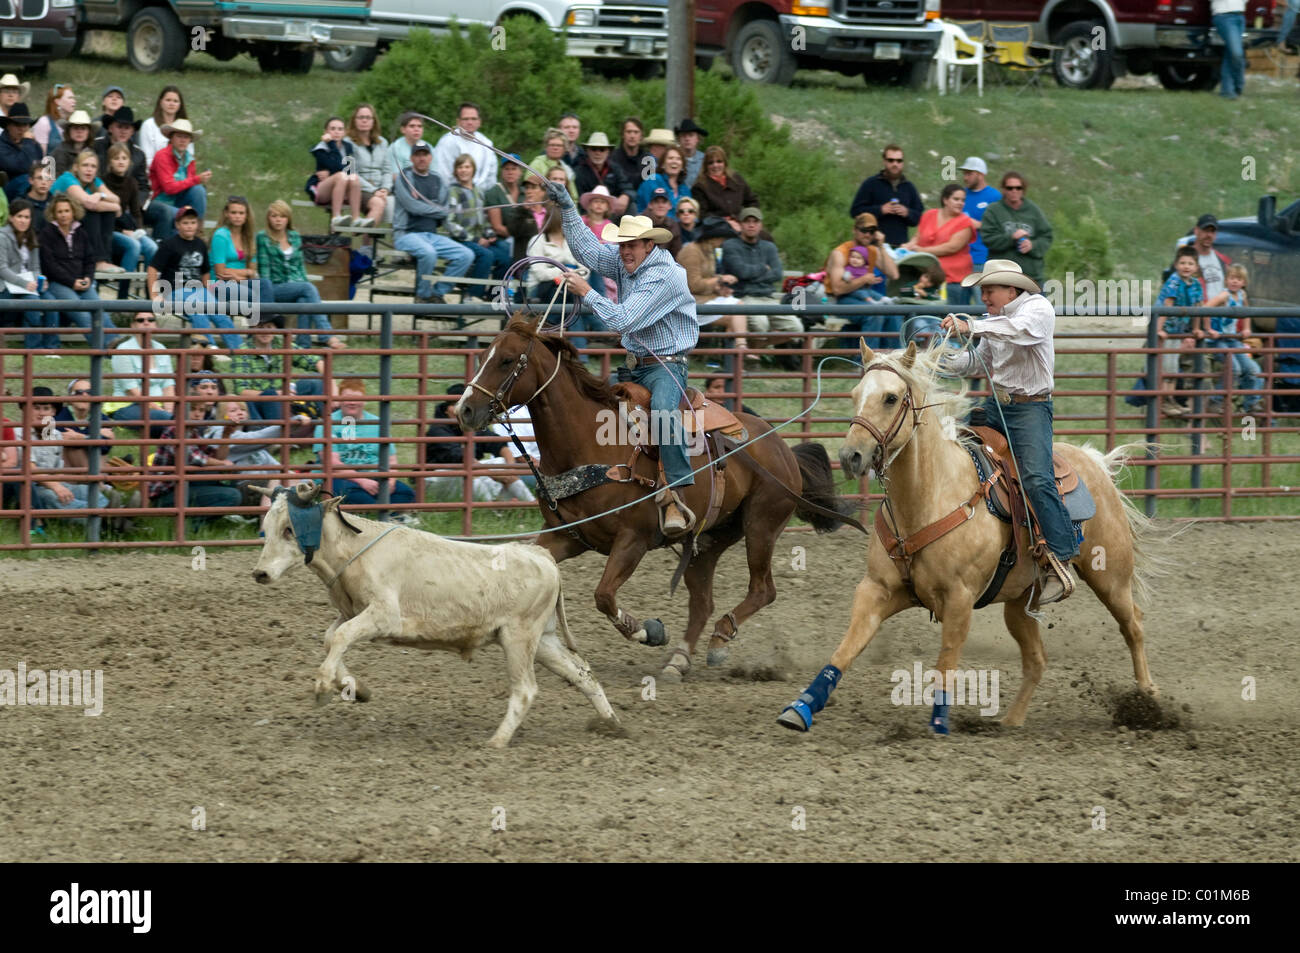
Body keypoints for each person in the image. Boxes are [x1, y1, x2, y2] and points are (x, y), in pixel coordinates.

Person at [546, 177, 701, 535]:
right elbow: (589, 252)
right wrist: (569, 208)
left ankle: (675, 495)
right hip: (635, 367)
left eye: (632, 245)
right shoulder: (625, 262)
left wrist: (587, 291)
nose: (625, 251)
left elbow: (624, 318)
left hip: (666, 366)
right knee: (596, 412)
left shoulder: (665, 277)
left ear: (649, 244)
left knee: (663, 413)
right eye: (622, 245)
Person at [940, 260, 1078, 605]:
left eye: (989, 289)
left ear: (1011, 289)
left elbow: (1019, 331)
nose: (984, 296)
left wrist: (970, 325)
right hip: (998, 407)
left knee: (1035, 477)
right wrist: (936, 355)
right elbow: (976, 362)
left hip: (1031, 408)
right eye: (983, 290)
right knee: (948, 443)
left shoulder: (1038, 309)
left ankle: (1061, 557)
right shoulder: (992, 323)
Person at [147, 376, 245, 524]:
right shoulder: (174, 430)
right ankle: (191, 525)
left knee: (230, 484)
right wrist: (222, 464)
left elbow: (214, 455)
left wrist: (226, 434)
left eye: (201, 410)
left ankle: (192, 519)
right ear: (180, 410)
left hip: (182, 486)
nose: (198, 414)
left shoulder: (193, 432)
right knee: (232, 496)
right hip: (166, 494)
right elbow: (194, 458)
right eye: (192, 409)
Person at [313, 377, 416, 518]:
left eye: (357, 398)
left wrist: (390, 482)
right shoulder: (327, 423)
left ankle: (381, 513)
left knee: (406, 493)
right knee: (347, 492)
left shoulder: (378, 423)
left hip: (374, 478)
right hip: (343, 479)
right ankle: (385, 514)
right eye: (348, 398)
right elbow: (333, 464)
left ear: (365, 400)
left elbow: (391, 461)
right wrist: (362, 481)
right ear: (339, 399)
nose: (352, 402)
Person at [148, 205, 243, 350]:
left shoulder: (200, 244)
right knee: (197, 309)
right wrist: (154, 295)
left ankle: (240, 351)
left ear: (197, 224)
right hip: (174, 291)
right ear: (177, 225)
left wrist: (208, 291)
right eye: (185, 223)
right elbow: (152, 268)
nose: (189, 226)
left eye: (192, 222)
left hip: (198, 290)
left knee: (220, 314)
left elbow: (205, 271)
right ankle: (209, 348)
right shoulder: (169, 245)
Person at [392, 139, 473, 305]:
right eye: (418, 155)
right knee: (428, 253)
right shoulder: (404, 178)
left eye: (425, 154)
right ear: (412, 158)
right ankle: (422, 295)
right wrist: (437, 209)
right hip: (406, 234)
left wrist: (437, 210)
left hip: (431, 235)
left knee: (466, 255)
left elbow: (443, 209)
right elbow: (413, 206)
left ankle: (437, 292)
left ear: (430, 157)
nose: (422, 158)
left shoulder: (438, 179)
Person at [256, 199, 342, 349]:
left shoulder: (294, 236)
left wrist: (302, 285)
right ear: (268, 218)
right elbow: (264, 273)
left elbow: (300, 267)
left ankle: (303, 346)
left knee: (304, 299)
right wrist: (302, 286)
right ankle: (327, 335)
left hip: (296, 286)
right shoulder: (262, 237)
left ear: (288, 218)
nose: (278, 220)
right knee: (308, 289)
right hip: (274, 287)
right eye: (274, 216)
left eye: (282, 216)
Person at [15, 386, 109, 520]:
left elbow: (58, 470)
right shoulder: (18, 433)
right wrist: (56, 487)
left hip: (53, 482)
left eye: (46, 408)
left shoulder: (56, 435)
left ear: (53, 412)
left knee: (85, 490)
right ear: (25, 409)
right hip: (31, 488)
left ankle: (109, 515)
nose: (41, 413)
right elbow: (30, 468)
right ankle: (106, 517)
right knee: (52, 497)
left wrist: (60, 485)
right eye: (36, 408)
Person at [423, 382, 523, 503]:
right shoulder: (437, 430)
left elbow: (497, 443)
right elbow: (460, 457)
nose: (461, 409)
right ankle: (494, 510)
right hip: (433, 481)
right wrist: (493, 474)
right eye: (455, 404)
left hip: (463, 474)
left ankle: (529, 504)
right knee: (468, 475)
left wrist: (510, 470)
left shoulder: (470, 425)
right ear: (446, 410)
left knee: (501, 463)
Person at [721, 207, 801, 350]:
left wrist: (749, 275)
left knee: (796, 327)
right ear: (740, 225)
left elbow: (777, 273)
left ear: (760, 225)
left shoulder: (769, 247)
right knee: (760, 324)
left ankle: (755, 349)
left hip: (768, 297)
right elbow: (741, 271)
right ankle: (753, 356)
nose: (751, 225)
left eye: (755, 221)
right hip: (744, 296)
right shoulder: (730, 245)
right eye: (747, 221)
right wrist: (764, 268)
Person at [824, 213, 900, 352]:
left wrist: (881, 246)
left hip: (865, 297)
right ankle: (866, 363)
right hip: (840, 300)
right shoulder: (840, 252)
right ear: (855, 230)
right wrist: (864, 279)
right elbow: (837, 289)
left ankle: (897, 359)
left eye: (871, 232)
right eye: (864, 230)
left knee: (893, 311)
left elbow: (894, 274)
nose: (867, 235)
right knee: (874, 314)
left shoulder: (872, 251)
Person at [677, 216, 751, 359]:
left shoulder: (708, 251)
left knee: (737, 306)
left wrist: (720, 288)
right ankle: (739, 353)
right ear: (712, 238)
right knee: (736, 311)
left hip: (704, 299)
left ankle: (734, 356)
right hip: (689, 304)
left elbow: (707, 279)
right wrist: (719, 279)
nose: (723, 242)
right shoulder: (691, 252)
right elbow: (693, 285)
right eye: (721, 238)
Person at [229, 316, 327, 421]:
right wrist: (277, 394)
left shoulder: (282, 343)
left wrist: (332, 388)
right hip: (258, 403)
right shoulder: (242, 351)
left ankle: (325, 424)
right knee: (270, 395)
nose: (265, 332)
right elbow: (242, 391)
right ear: (253, 329)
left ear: (275, 328)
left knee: (315, 382)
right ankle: (281, 432)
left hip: (284, 394)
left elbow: (316, 361)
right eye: (260, 327)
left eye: (269, 327)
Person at [39, 193, 105, 347]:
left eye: (66, 211)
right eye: (60, 211)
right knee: (80, 312)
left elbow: (90, 259)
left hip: (82, 281)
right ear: (54, 214)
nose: (63, 215)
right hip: (58, 283)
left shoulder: (81, 233)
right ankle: (103, 348)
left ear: (73, 212)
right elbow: (49, 266)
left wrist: (88, 277)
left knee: (99, 308)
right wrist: (71, 282)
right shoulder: (47, 234)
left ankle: (119, 346)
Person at [1203, 263, 1263, 413]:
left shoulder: (1242, 295)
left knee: (1252, 368)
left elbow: (1246, 311)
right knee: (1234, 368)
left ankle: (1251, 403)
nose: (1235, 281)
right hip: (1217, 340)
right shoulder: (1224, 295)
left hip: (1232, 340)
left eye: (1239, 279)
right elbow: (1204, 309)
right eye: (1232, 278)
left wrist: (1247, 328)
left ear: (1244, 282)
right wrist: (1209, 328)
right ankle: (1215, 401)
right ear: (1226, 280)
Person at [902, 183, 976, 305]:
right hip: (926, 279)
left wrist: (921, 251)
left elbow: (952, 247)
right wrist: (907, 247)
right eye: (956, 199)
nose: (960, 203)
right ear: (945, 199)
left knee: (954, 317)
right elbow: (917, 237)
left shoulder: (965, 222)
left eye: (963, 200)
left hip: (954, 281)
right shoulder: (929, 215)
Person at [447, 153, 510, 291]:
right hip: (463, 239)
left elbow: (485, 220)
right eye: (460, 167)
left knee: (505, 257)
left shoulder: (479, 192)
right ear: (456, 171)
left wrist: (489, 234)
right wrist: (476, 239)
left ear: (473, 170)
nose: (463, 170)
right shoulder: (453, 191)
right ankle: (474, 295)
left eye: (467, 167)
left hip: (480, 239)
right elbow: (450, 223)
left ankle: (496, 296)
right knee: (486, 255)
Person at [105, 311, 176, 436]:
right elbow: (132, 391)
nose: (146, 322)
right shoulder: (123, 350)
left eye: (150, 319)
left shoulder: (162, 349)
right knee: (170, 421)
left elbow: (168, 384)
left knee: (182, 417)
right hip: (130, 405)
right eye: (140, 320)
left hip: (159, 406)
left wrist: (169, 409)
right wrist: (163, 412)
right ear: (133, 325)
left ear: (156, 325)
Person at [52, 149, 122, 273]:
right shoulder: (67, 178)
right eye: (85, 165)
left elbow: (116, 199)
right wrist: (115, 206)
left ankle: (105, 260)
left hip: (76, 224)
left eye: (93, 166)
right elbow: (88, 203)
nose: (89, 169)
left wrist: (101, 196)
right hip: (55, 222)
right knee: (92, 213)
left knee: (107, 214)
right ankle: (98, 261)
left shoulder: (95, 181)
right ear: (75, 168)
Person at [979, 171, 1052, 286]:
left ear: (1023, 189)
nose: (1014, 191)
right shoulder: (993, 210)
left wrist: (1032, 245)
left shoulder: (1033, 210)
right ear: (1003, 189)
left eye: (1018, 188)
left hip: (1030, 277)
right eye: (1010, 188)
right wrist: (1011, 238)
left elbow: (1046, 236)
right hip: (1001, 277)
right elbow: (988, 238)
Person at [1156, 246, 1204, 418]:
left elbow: (1198, 308)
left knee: (1173, 367)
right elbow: (1167, 305)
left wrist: (1196, 328)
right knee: (1167, 366)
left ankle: (1170, 400)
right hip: (1166, 328)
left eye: (1190, 263)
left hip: (1179, 330)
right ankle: (1164, 401)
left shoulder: (1196, 284)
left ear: (1196, 267)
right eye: (1182, 262)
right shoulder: (1174, 281)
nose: (1186, 266)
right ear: (1176, 265)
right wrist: (1158, 329)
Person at [210, 195, 274, 321]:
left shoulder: (249, 237)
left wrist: (237, 276)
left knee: (266, 284)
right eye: (233, 212)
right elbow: (220, 272)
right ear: (227, 214)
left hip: (240, 282)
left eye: (241, 213)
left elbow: (253, 271)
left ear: (246, 216)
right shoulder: (221, 235)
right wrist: (246, 273)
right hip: (218, 284)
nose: (237, 216)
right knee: (253, 295)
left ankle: (264, 327)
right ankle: (260, 331)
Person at [102, 142, 157, 289]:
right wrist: (123, 232)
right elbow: (104, 218)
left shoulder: (132, 182)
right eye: (116, 158)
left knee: (152, 247)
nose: (120, 161)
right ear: (110, 162)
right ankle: (123, 297)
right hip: (110, 230)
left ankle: (149, 296)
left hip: (129, 229)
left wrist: (137, 230)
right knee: (133, 246)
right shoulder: (103, 183)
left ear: (129, 162)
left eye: (124, 158)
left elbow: (136, 212)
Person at [147, 117, 210, 240]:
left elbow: (190, 186)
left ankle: (197, 232)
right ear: (171, 138)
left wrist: (197, 182)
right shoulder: (162, 156)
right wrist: (197, 179)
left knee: (199, 190)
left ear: (190, 140)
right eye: (179, 136)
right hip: (160, 202)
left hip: (179, 201)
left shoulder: (189, 159)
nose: (183, 140)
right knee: (182, 213)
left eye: (186, 137)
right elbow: (169, 187)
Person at [849, 144, 923, 246]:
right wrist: (880, 210)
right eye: (891, 160)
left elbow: (919, 218)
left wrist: (907, 212)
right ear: (884, 161)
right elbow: (855, 212)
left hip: (900, 248)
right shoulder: (871, 184)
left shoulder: (909, 188)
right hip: (872, 246)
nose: (895, 164)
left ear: (903, 163)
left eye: (899, 161)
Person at [0, 199, 48, 349]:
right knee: (32, 305)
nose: (23, 221)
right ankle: (34, 348)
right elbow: (2, 269)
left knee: (45, 301)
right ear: (11, 218)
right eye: (19, 216)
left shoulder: (32, 236)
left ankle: (38, 348)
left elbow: (35, 267)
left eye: (27, 217)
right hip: (5, 285)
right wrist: (24, 284)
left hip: (26, 285)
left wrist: (40, 280)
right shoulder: (2, 236)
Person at [308, 116, 365, 229]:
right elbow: (337, 166)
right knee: (341, 175)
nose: (336, 132)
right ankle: (336, 217)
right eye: (333, 129)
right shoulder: (320, 149)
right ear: (326, 132)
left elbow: (349, 169)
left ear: (344, 132)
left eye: (340, 129)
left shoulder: (347, 147)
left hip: (341, 187)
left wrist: (334, 172)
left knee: (354, 177)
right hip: (322, 189)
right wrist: (331, 144)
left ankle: (356, 218)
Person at [344, 102, 392, 226]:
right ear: (354, 120)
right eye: (361, 117)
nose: (364, 121)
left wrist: (385, 189)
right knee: (378, 203)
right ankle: (365, 243)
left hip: (380, 189)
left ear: (373, 121)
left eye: (368, 118)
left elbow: (387, 170)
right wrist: (374, 190)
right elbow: (350, 171)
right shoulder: (347, 143)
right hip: (358, 188)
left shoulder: (383, 143)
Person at [692, 146, 758, 234]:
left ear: (725, 163)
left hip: (742, 224)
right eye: (711, 163)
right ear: (706, 166)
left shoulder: (736, 179)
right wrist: (725, 222)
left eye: (719, 161)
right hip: (715, 228)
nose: (715, 165)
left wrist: (747, 219)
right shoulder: (699, 187)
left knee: (766, 239)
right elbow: (703, 214)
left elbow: (752, 201)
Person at [433, 101, 497, 192]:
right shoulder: (447, 142)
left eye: (474, 119)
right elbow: (443, 174)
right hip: (455, 195)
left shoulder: (486, 143)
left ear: (479, 122)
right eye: (466, 119)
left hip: (481, 196)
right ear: (458, 122)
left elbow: (491, 174)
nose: (470, 122)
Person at [92, 106, 149, 202]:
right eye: (119, 126)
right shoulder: (95, 146)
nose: (123, 131)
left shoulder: (139, 155)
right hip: (99, 198)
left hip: (129, 204)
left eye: (127, 128)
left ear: (132, 132)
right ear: (110, 128)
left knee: (164, 211)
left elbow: (143, 187)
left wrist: (135, 205)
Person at [503, 174, 557, 271]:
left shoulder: (551, 213)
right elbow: (512, 231)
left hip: (550, 262)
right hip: (525, 264)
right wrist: (523, 211)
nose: (529, 191)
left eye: (533, 187)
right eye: (527, 188)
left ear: (543, 192)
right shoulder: (519, 211)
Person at [572, 131, 635, 216]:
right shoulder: (579, 171)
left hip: (612, 212)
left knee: (631, 206)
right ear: (588, 151)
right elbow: (579, 200)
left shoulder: (615, 169)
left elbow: (628, 187)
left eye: (602, 149)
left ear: (608, 152)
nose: (598, 153)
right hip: (589, 214)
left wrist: (626, 196)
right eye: (594, 149)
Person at [960, 156, 1000, 274]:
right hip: (960, 257)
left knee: (981, 292)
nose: (965, 178)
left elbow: (1001, 227)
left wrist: (978, 224)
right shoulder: (960, 195)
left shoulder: (994, 197)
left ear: (981, 174)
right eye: (964, 174)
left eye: (969, 174)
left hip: (982, 259)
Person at [138, 85, 187, 170]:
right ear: (161, 102)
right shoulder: (149, 125)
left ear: (180, 105)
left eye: (175, 101)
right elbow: (147, 158)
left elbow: (189, 156)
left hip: (180, 175)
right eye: (168, 100)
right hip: (154, 173)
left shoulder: (185, 126)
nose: (171, 104)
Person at [637, 144, 691, 217]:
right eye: (670, 158)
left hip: (675, 227)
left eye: (678, 159)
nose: (674, 161)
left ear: (682, 166)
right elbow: (651, 210)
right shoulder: (653, 180)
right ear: (662, 164)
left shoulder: (685, 189)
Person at [527, 127, 579, 201]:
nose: (555, 148)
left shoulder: (567, 169)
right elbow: (530, 191)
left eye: (559, 145)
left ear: (565, 148)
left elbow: (574, 197)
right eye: (552, 145)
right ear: (546, 147)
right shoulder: (536, 164)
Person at [0, 103, 41, 191]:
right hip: (9, 191)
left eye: (25, 125)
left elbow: (42, 163)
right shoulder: (1, 146)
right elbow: (22, 167)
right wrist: (27, 142)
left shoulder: (31, 143)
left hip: (33, 188)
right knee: (25, 180)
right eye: (17, 124)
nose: (22, 129)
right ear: (8, 126)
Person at [1189, 213, 1230, 299]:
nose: (1209, 235)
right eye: (1206, 230)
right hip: (1197, 311)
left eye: (1212, 231)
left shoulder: (1222, 260)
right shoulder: (1186, 259)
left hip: (1221, 311)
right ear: (1196, 231)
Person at [1212, 0, 1247, 99]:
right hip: (1223, 16)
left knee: (1230, 53)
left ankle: (1227, 91)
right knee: (1237, 53)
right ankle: (1238, 85)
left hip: (1240, 16)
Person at [608, 117, 651, 192]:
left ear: (641, 136)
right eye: (628, 132)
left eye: (636, 132)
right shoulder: (612, 158)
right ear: (622, 135)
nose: (632, 136)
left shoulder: (648, 159)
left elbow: (650, 186)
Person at [33, 83, 76, 154]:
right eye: (70, 98)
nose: (74, 101)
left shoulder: (70, 123)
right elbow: (40, 157)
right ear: (57, 101)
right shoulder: (44, 123)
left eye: (73, 98)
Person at [50, 109, 93, 178]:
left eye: (83, 128)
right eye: (76, 128)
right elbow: (59, 179)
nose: (79, 131)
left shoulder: (91, 152)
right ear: (69, 131)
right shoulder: (59, 152)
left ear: (89, 132)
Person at [642, 187, 683, 259]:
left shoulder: (673, 225)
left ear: (670, 206)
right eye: (656, 202)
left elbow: (676, 253)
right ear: (650, 205)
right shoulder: (640, 221)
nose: (660, 205)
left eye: (664, 202)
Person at [674, 118, 708, 188]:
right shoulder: (673, 159)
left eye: (691, 135)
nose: (687, 139)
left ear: (697, 139)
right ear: (679, 139)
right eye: (683, 135)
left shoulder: (705, 159)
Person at [388, 110, 424, 176]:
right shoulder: (395, 148)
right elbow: (396, 176)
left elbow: (435, 173)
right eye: (412, 126)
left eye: (419, 126)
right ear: (403, 129)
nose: (416, 129)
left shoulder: (429, 147)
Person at [23, 160, 52, 228]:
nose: (44, 182)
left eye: (47, 179)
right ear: (31, 180)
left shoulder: (56, 203)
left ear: (52, 182)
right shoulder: (21, 203)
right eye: (40, 178)